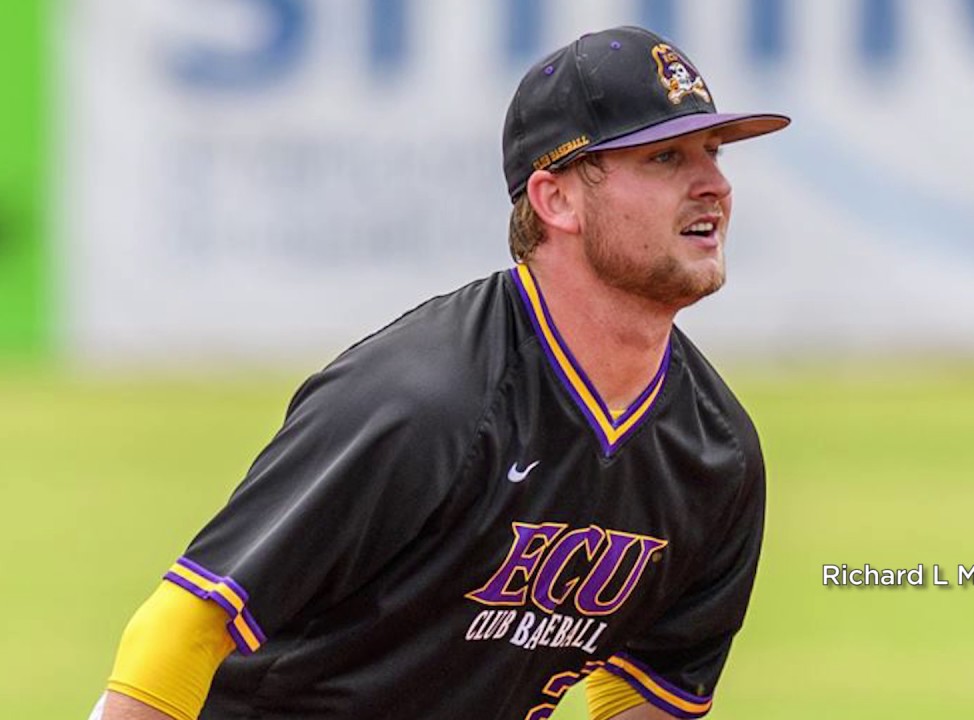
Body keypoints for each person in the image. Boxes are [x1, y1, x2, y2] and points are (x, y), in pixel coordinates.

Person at [95, 25, 789, 720]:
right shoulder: (424, 401)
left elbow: (646, 684)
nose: (715, 185)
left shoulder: (714, 456)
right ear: (556, 199)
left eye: (713, 151)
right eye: (665, 157)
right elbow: (182, 627)